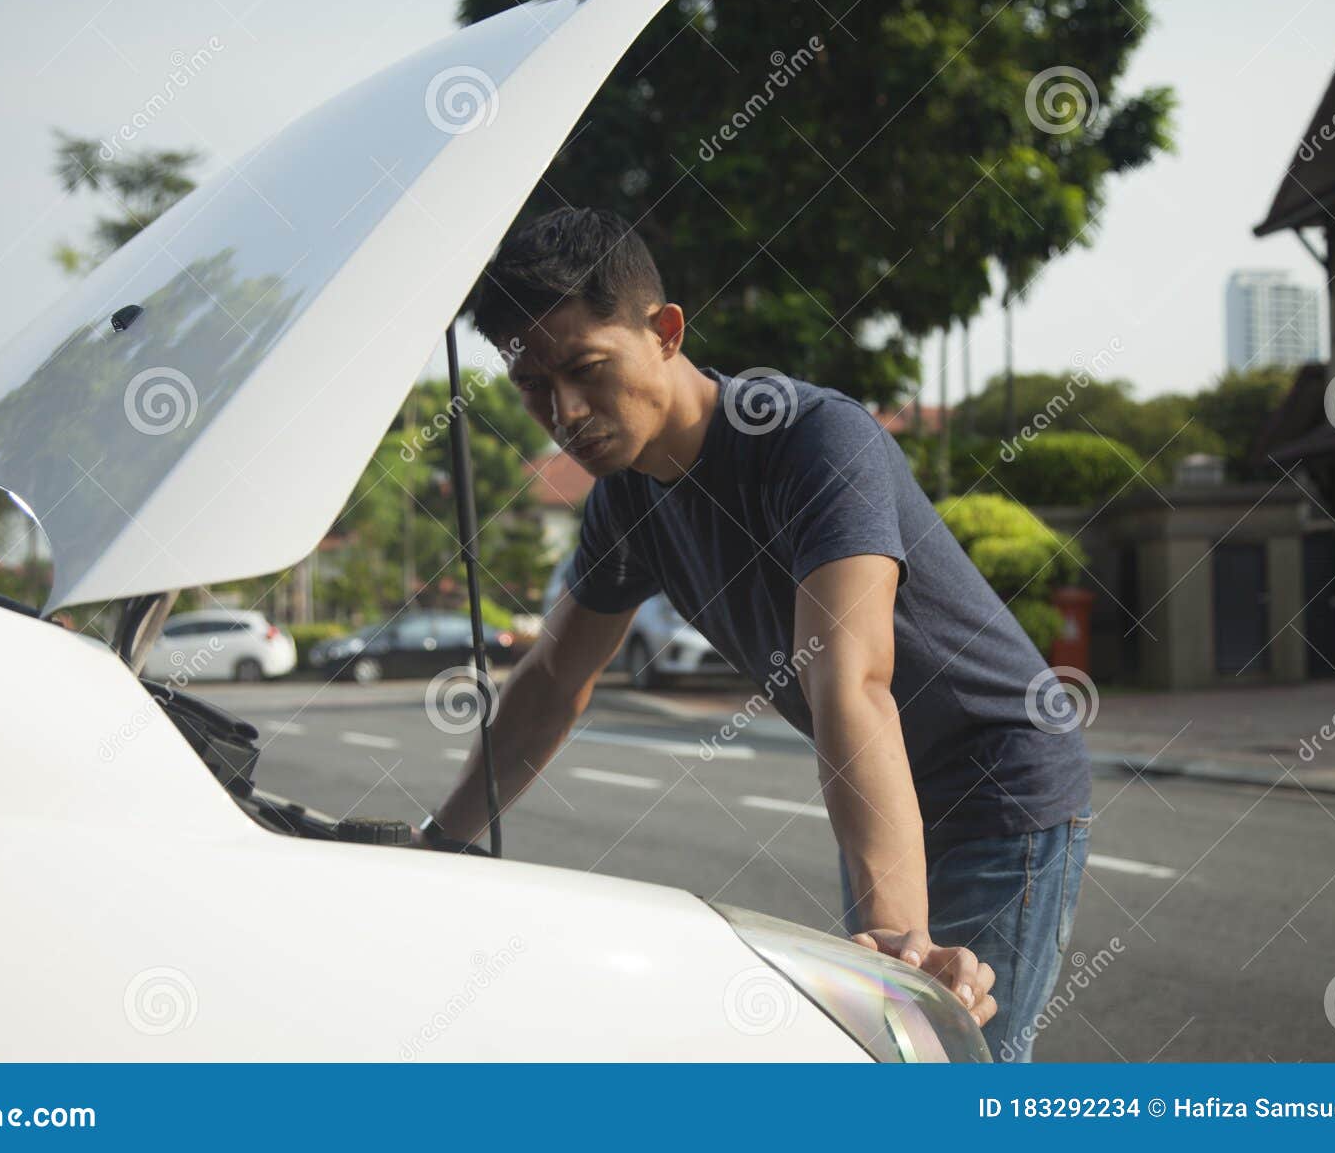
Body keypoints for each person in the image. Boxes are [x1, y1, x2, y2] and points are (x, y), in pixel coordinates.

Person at [415, 206, 1092, 1061]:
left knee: (944, 1072)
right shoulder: (625, 501)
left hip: (996, 775)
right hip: (887, 792)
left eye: (587, 368)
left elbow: (851, 680)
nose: (567, 410)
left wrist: (895, 932)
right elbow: (554, 680)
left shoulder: (810, 440)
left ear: (665, 331)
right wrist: (438, 842)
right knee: (893, 1064)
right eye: (534, 388)